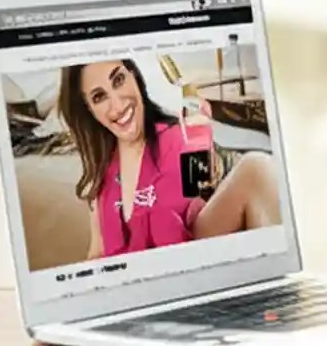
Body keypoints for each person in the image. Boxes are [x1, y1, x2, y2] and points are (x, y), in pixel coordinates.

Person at [57, 59, 281, 260]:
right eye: (99, 97)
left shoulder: (183, 136)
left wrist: (204, 151)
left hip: (192, 263)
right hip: (136, 286)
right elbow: (96, 254)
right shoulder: (99, 177)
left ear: (134, 76)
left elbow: (203, 195)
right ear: (89, 110)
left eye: (119, 80)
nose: (117, 105)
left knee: (256, 166)